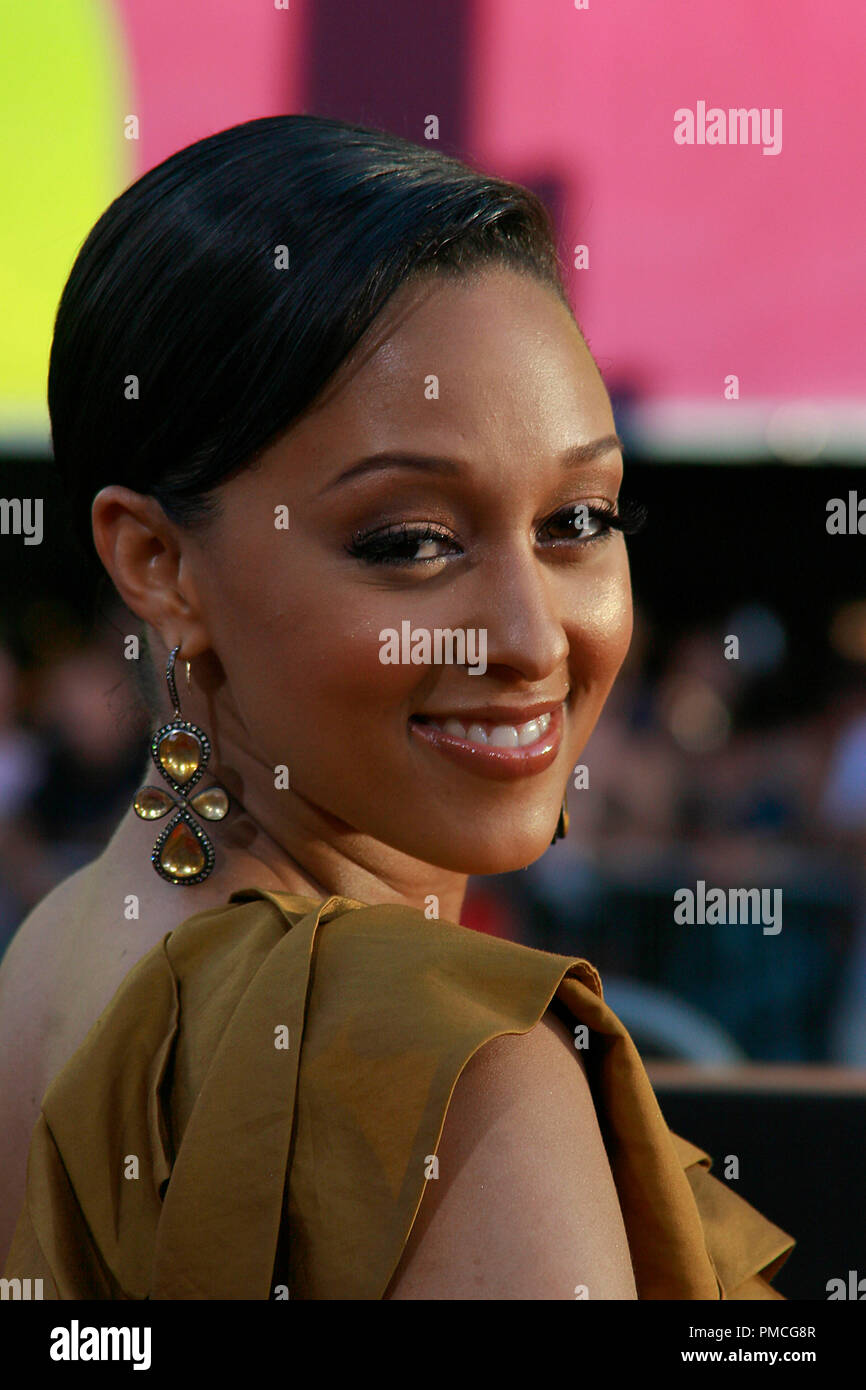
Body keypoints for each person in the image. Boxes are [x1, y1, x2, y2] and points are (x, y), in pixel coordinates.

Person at [0, 114, 793, 1299]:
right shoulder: (473, 1079)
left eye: (576, 520)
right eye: (411, 541)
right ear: (156, 562)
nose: (528, 638)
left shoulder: (61, 946)